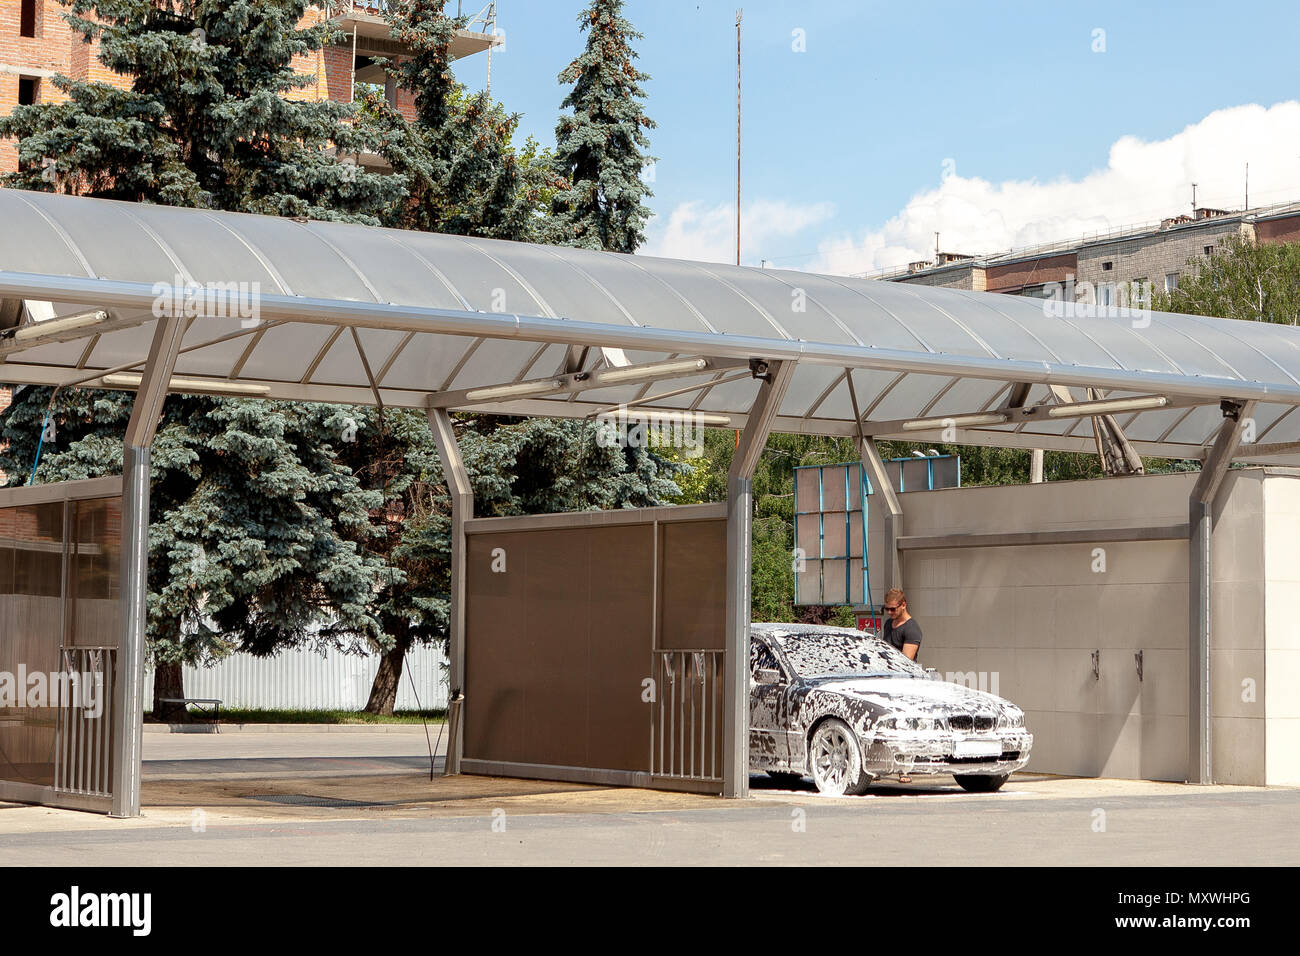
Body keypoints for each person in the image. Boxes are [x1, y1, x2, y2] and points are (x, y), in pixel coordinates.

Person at [880, 588, 921, 661]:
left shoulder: (911, 629)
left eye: (893, 609)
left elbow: (906, 662)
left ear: (903, 605)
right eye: (886, 609)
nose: (889, 612)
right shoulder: (888, 623)